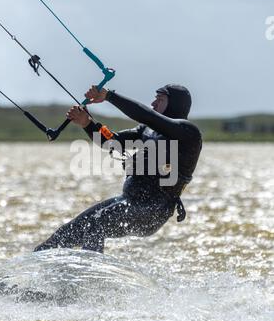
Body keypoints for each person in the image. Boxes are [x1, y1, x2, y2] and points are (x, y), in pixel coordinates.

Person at [34, 85, 202, 253]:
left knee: (96, 223)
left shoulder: (188, 133)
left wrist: (109, 96)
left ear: (175, 105)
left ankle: (90, 275)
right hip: (127, 201)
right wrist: (87, 123)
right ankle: (34, 267)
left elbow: (147, 116)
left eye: (160, 100)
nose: (153, 103)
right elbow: (113, 142)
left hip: (153, 210)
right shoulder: (148, 130)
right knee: (68, 232)